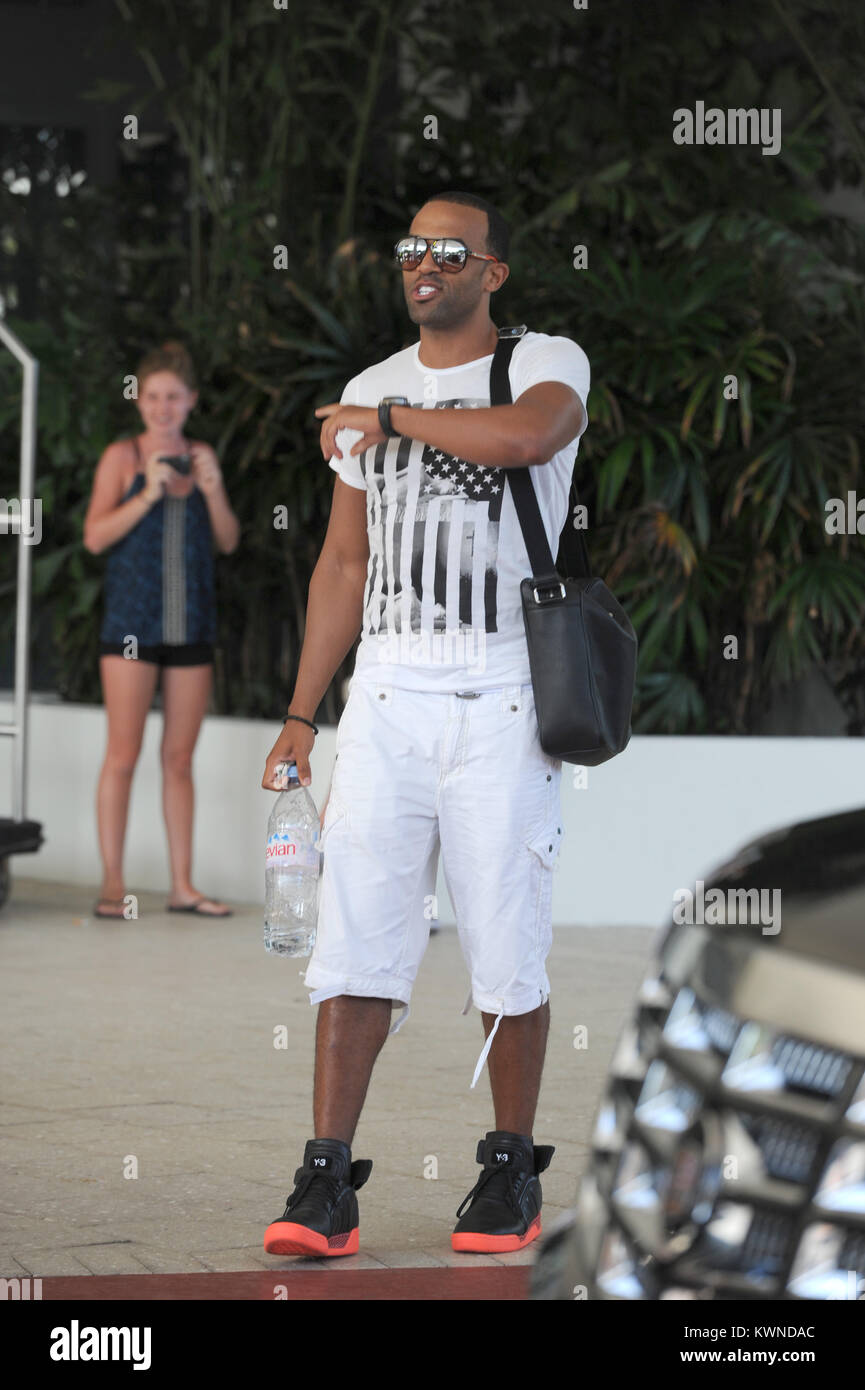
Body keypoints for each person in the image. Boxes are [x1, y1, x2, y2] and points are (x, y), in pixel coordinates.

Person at [260, 192, 590, 1257]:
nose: (424, 262)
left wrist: (392, 422)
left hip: (503, 690)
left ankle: (508, 1173)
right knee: (354, 935)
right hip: (389, 694)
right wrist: (303, 712)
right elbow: (344, 563)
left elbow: (530, 435)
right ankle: (325, 1182)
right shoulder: (366, 386)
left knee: (506, 939)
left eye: (449, 249)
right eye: (411, 248)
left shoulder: (546, 360)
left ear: (491, 272)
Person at [83, 340, 241, 919]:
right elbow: (95, 537)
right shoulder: (122, 456)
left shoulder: (201, 456)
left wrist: (213, 486)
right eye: (152, 396)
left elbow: (227, 540)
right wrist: (147, 491)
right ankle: (112, 885)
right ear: (139, 400)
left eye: (173, 396)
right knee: (122, 754)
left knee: (179, 759)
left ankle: (182, 886)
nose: (162, 407)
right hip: (131, 627)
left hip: (190, 628)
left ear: (191, 401)